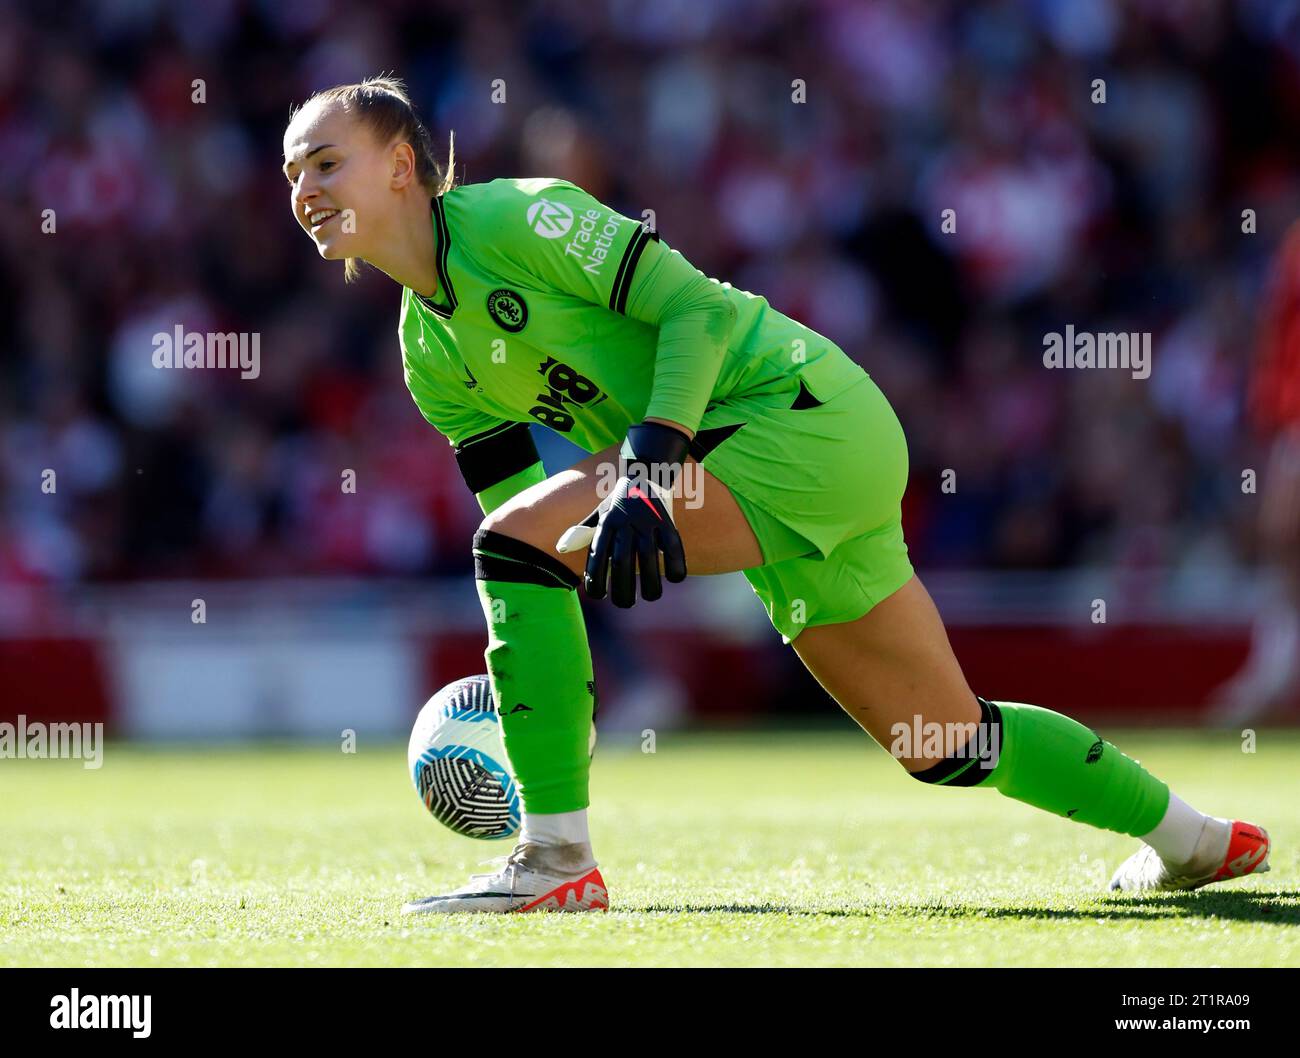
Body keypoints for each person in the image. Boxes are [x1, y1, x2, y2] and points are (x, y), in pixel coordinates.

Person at [281, 76, 1271, 914]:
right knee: (944, 740)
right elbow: (529, 532)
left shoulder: (517, 215)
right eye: (292, 172)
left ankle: (555, 860)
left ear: (402, 165)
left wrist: (650, 477)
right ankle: (1194, 838)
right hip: (756, 465)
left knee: (513, 547)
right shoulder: (425, 354)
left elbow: (696, 310)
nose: (305, 188)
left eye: (326, 162)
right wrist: (552, 692)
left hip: (799, 418)